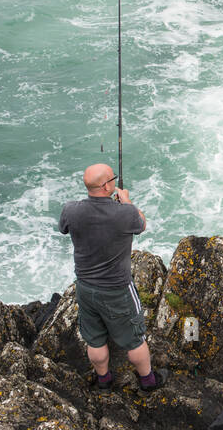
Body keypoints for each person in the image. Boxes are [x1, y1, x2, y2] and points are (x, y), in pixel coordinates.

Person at [58, 164, 165, 391]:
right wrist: (125, 200)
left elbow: (64, 228)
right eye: (112, 179)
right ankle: (148, 381)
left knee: (94, 338)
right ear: (107, 185)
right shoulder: (124, 213)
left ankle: (104, 381)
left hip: (85, 288)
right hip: (117, 289)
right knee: (134, 338)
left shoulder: (71, 210)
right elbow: (141, 224)